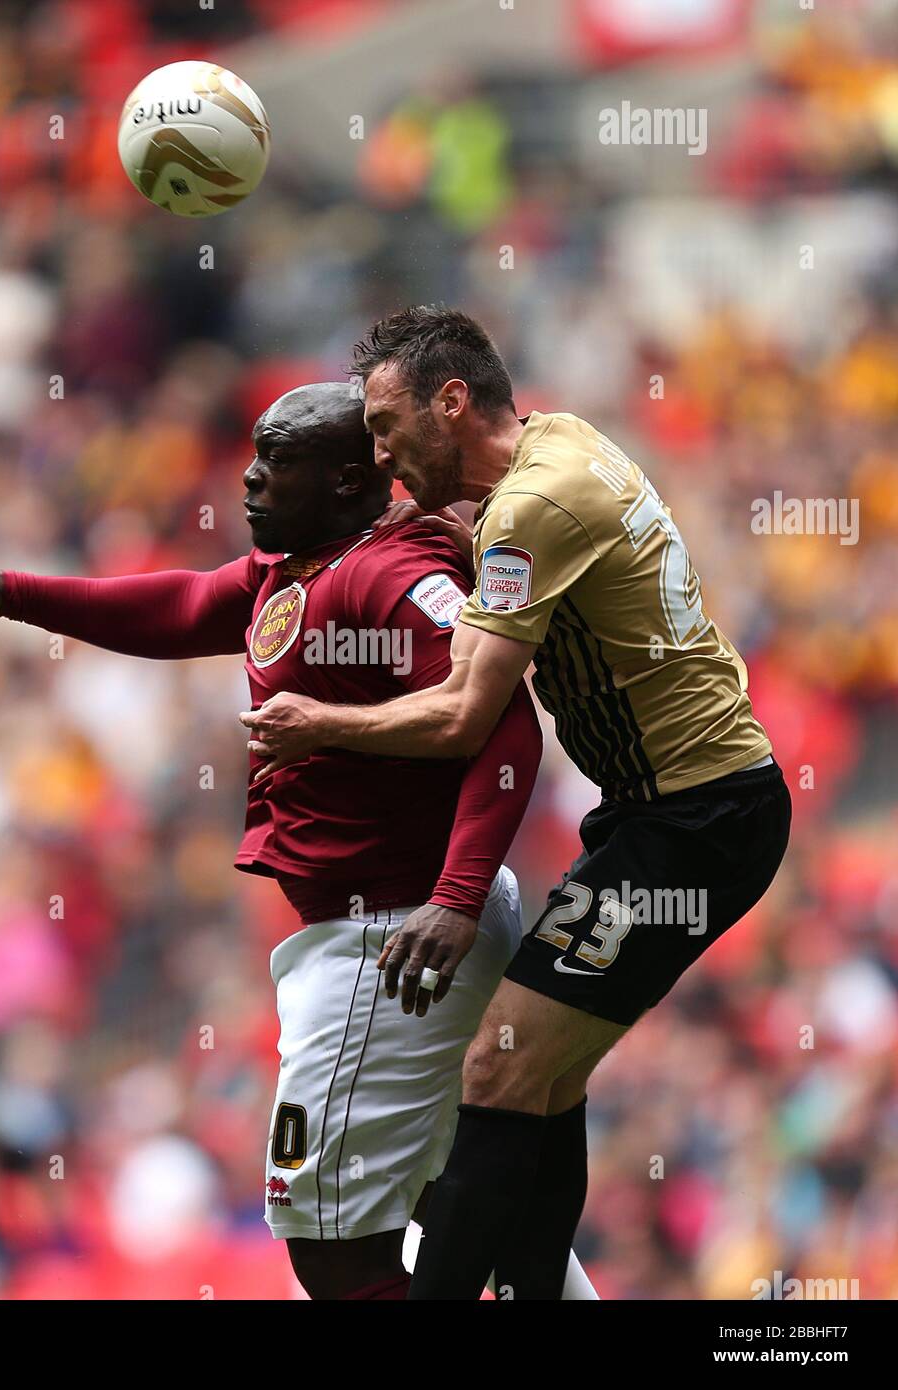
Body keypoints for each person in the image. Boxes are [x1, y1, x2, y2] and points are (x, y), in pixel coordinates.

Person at [0, 381, 595, 1302]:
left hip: (393, 941)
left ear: (348, 479)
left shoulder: (389, 577)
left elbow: (503, 727)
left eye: (278, 461)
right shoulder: (296, 565)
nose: (251, 477)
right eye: (255, 453)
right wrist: (11, 592)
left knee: (333, 1248)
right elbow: (183, 606)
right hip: (392, 931)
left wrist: (454, 898)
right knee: (475, 1216)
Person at [241, 311, 792, 1300]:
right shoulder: (564, 445)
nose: (378, 452)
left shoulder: (533, 507)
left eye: (386, 423)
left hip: (696, 825)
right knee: (540, 1073)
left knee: (498, 1068)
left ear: (451, 401)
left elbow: (464, 714)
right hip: (664, 813)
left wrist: (320, 721)